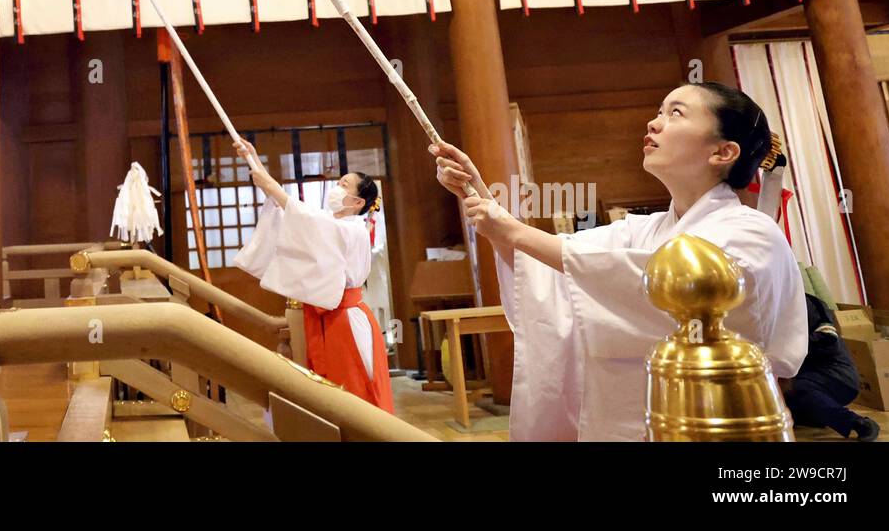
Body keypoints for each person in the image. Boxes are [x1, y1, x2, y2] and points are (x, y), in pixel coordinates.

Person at [433, 81, 808, 441]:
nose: (654, 122)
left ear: (722, 152)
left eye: (676, 113)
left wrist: (511, 230)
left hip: (716, 418)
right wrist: (479, 192)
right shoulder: (643, 230)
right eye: (659, 111)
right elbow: (559, 259)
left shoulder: (752, 233)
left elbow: (650, 278)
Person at [233, 138, 395, 412]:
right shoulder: (334, 223)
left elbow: (304, 218)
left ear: (357, 201)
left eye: (343, 184)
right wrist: (253, 158)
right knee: (326, 390)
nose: (336, 187)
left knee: (353, 388)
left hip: (346, 318)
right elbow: (298, 220)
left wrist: (270, 184)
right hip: (322, 316)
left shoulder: (353, 229)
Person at [783, 293, 880, 441]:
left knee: (797, 388)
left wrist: (786, 351)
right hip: (807, 375)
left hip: (835, 375)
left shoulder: (807, 303)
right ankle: (814, 415)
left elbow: (828, 338)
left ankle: (859, 424)